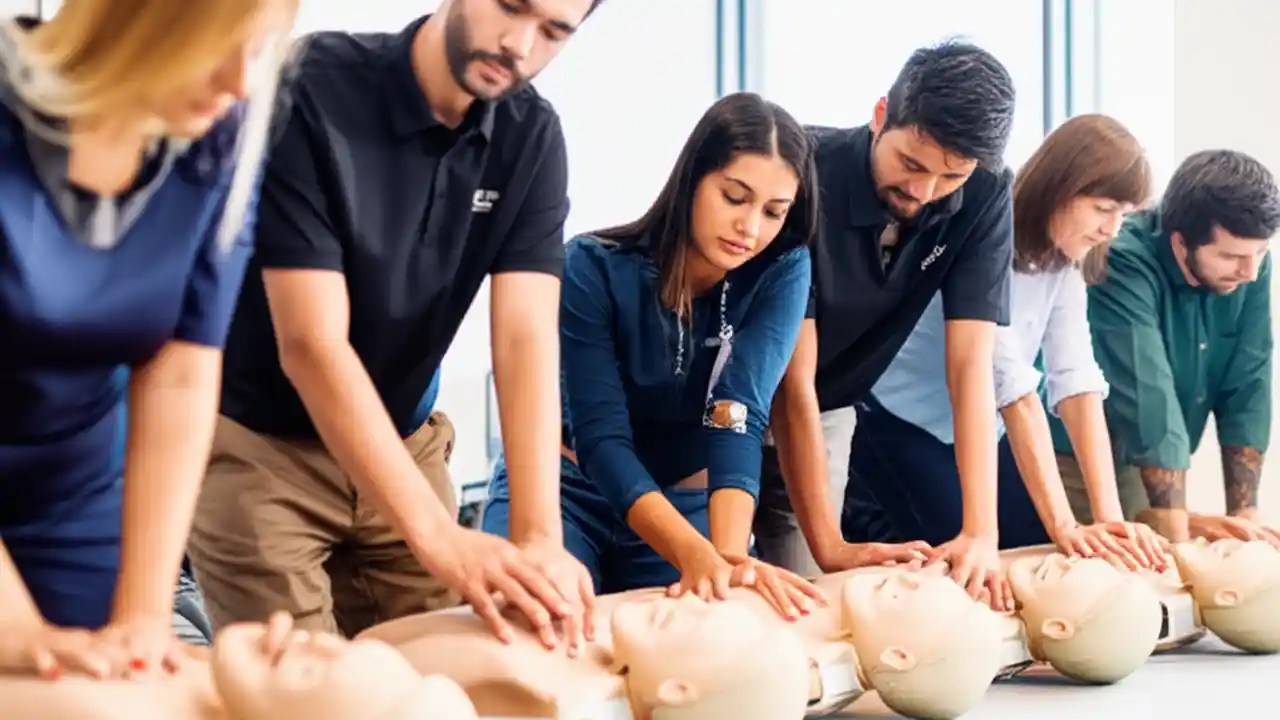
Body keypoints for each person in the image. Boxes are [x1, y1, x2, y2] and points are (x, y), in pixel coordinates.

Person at [188, 0, 602, 655]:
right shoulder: (311, 87)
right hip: (263, 450)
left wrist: (538, 537)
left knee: (447, 676)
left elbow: (525, 340)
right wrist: (444, 543)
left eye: (554, 31)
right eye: (511, 8)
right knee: (311, 695)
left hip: (406, 440)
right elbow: (312, 344)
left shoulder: (531, 138)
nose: (520, 44)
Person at [0, 0, 295, 679]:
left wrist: (142, 612)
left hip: (74, 496)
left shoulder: (219, 139)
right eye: (215, 48)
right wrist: (16, 630)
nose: (238, 84)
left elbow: (181, 374)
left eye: (255, 51)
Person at [483, 91, 826, 619]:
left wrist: (727, 555)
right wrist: (694, 553)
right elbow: (601, 439)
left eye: (774, 211)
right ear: (693, 179)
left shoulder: (783, 269)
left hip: (689, 502)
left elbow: (738, 411)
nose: (751, 228)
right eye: (735, 197)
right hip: (568, 492)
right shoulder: (589, 267)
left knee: (719, 630)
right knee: (533, 624)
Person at [757, 40, 1019, 606]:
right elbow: (789, 380)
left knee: (811, 606)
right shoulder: (802, 170)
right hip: (728, 401)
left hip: (829, 411)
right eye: (911, 164)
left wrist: (981, 533)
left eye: (951, 177)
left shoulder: (988, 194)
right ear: (881, 116)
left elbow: (971, 366)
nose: (923, 192)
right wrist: (831, 543)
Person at [843, 114, 1167, 570]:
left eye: (1125, 214)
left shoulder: (1064, 264)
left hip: (977, 427)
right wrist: (1066, 525)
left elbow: (1076, 382)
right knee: (977, 563)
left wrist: (1107, 517)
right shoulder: (985, 238)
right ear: (1061, 187)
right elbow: (1013, 389)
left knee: (1043, 553)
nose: (1112, 230)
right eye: (1103, 208)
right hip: (898, 421)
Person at [1050, 149, 1280, 548]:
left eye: (1259, 253)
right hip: (1080, 457)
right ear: (1179, 243)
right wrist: (1178, 540)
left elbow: (1250, 380)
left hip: (1155, 452)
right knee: (1133, 572)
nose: (1250, 272)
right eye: (1232, 256)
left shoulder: (1250, 267)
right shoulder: (1120, 258)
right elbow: (1147, 395)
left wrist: (1247, 518)